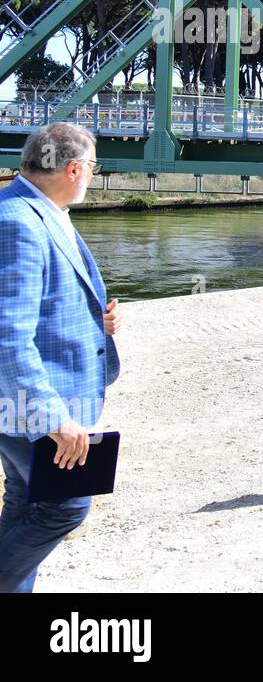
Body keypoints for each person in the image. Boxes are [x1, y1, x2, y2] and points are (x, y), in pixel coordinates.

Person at [0, 122, 122, 593]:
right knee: (67, 507)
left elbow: (39, 306)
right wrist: (52, 416)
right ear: (73, 168)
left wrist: (99, 321)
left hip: (35, 396)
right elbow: (8, 336)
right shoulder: (18, 222)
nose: (93, 174)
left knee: (26, 502)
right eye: (93, 166)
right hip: (33, 404)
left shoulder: (41, 209)